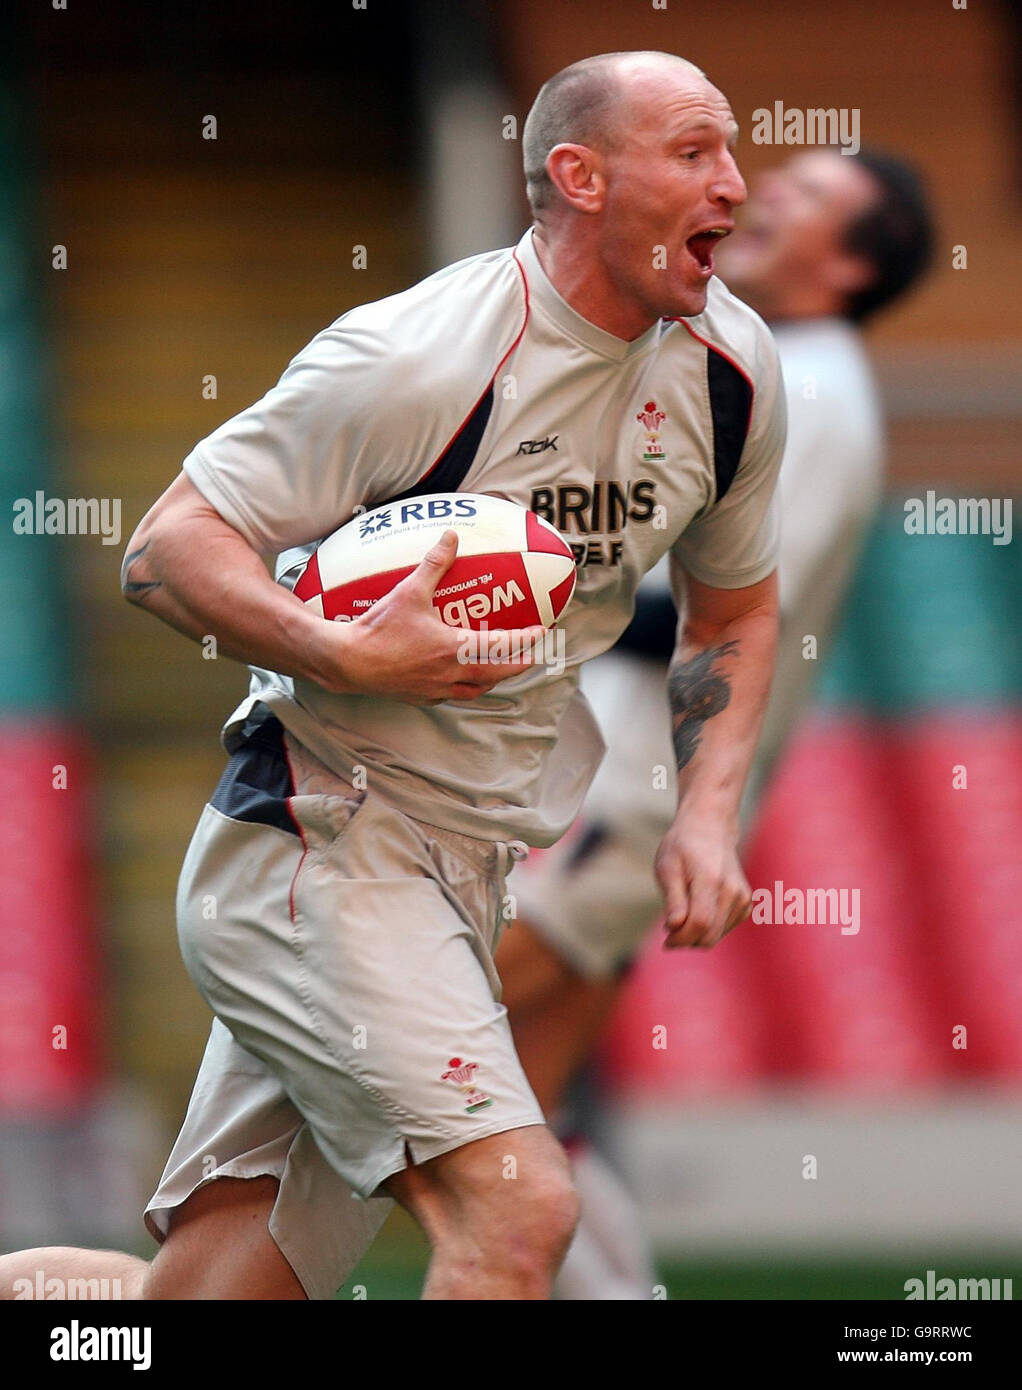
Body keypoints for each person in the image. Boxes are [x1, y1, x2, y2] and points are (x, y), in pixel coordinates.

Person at [0, 49, 786, 1301]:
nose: (735, 185)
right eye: (694, 152)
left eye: (732, 149)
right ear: (577, 177)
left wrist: (703, 815)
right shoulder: (417, 356)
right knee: (518, 1213)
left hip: (465, 867)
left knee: (202, 1300)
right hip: (318, 840)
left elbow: (734, 610)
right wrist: (346, 651)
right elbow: (165, 550)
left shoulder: (730, 374)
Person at [499, 144, 935, 1298]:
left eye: (795, 202)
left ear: (844, 266)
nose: (753, 199)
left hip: (626, 791)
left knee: (397, 1043)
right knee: (519, 1103)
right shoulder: (767, 367)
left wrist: (508, 601)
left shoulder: (814, 392)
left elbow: (723, 622)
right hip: (631, 789)